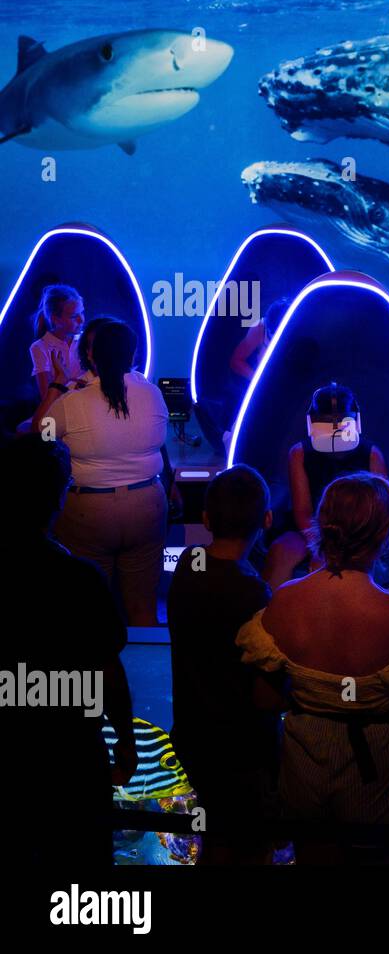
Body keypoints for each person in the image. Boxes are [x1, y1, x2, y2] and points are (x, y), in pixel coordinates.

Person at [237, 474, 389, 864]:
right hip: (379, 768)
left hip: (305, 762)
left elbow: (264, 697)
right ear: (385, 534)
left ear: (322, 521)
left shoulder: (285, 602)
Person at [0, 435, 137, 864]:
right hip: (72, 757)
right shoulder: (81, 579)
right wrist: (126, 741)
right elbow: (107, 670)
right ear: (59, 498)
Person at [167, 464, 283, 864]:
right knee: (251, 846)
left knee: (214, 838)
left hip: (194, 735)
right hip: (241, 747)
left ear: (205, 519)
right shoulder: (253, 593)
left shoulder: (188, 566)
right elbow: (265, 695)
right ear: (267, 520)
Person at [30, 318, 168, 625]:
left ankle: (95, 673)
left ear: (90, 355)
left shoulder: (72, 401)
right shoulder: (153, 394)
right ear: (132, 355)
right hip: (147, 506)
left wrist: (57, 383)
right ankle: (144, 673)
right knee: (144, 608)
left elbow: (39, 431)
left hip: (89, 512)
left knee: (90, 610)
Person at [263, 382, 387, 589]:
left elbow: (382, 511)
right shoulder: (299, 453)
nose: (335, 424)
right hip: (311, 530)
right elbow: (303, 512)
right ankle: (273, 614)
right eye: (328, 420)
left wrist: (350, 546)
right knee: (281, 552)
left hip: (358, 531)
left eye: (339, 419)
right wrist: (322, 547)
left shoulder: (372, 455)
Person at [30, 284, 87, 403]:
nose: (81, 320)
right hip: (59, 409)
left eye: (82, 313)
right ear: (55, 319)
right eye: (74, 316)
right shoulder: (40, 348)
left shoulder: (86, 339)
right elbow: (47, 397)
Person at [229, 296, 291, 382]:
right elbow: (236, 361)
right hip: (269, 382)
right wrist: (259, 381)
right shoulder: (260, 328)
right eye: (274, 333)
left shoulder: (301, 325)